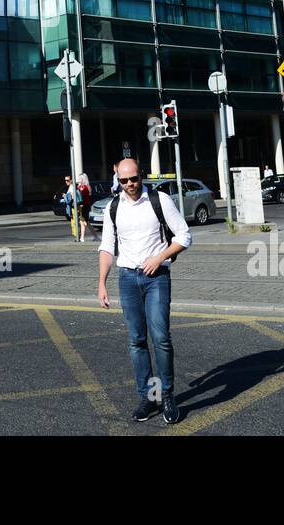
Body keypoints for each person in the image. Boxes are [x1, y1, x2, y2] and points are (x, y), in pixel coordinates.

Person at [97, 158, 192, 425]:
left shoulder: (159, 200)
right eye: (124, 180)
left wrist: (159, 257)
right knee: (136, 340)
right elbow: (106, 246)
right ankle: (148, 397)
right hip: (127, 278)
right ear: (118, 179)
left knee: (160, 337)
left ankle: (168, 396)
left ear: (142, 176)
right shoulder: (113, 208)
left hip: (157, 277)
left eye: (134, 179)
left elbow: (184, 235)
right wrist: (101, 283)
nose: (130, 185)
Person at [76, 172, 94, 243]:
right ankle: (94, 236)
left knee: (82, 222)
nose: (79, 179)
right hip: (83, 205)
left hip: (84, 206)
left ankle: (82, 238)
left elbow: (85, 198)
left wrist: (82, 204)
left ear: (83, 179)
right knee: (84, 222)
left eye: (80, 178)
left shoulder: (85, 187)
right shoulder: (81, 187)